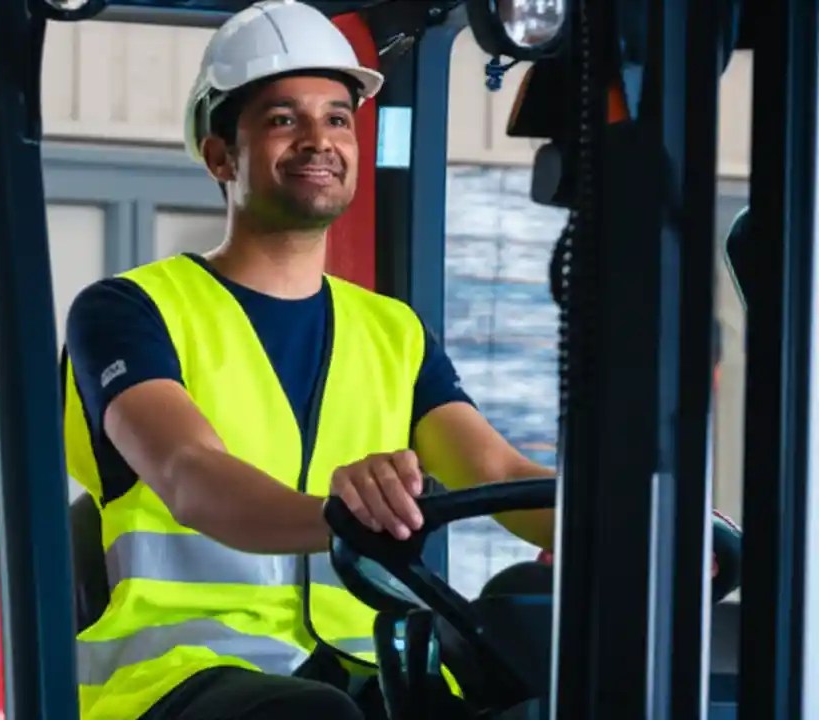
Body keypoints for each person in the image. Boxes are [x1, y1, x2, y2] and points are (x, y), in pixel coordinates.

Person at [61, 2, 556, 718]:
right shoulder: (129, 312)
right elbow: (189, 474)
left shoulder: (393, 332)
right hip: (184, 674)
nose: (319, 140)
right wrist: (342, 515)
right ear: (221, 156)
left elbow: (498, 473)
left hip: (362, 664)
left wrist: (644, 531)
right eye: (283, 119)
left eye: (337, 119)